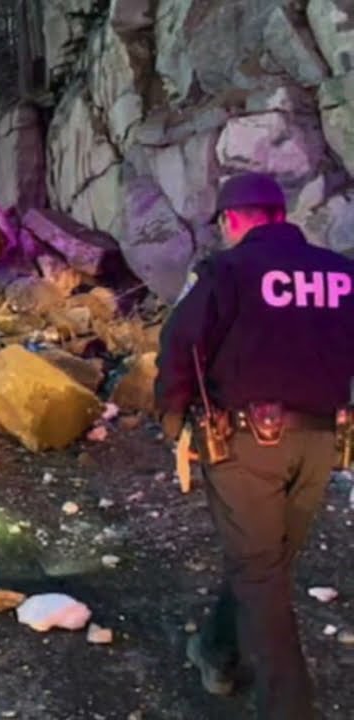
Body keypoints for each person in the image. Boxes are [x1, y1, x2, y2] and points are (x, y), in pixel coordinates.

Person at [154, 170, 354, 719]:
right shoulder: (342, 273)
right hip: (320, 442)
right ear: (281, 216)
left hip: (247, 446)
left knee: (261, 570)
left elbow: (179, 343)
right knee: (265, 564)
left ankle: (290, 709)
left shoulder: (224, 272)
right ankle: (218, 649)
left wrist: (172, 416)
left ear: (232, 220)